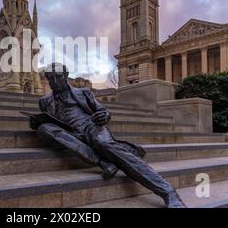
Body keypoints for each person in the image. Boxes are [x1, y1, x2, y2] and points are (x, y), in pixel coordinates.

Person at [29, 63, 187, 208]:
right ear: (47, 79)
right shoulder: (45, 101)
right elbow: (50, 120)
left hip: (91, 127)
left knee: (102, 143)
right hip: (71, 135)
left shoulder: (83, 93)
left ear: (66, 75)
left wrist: (104, 116)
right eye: (51, 78)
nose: (55, 81)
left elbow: (102, 111)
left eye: (59, 77)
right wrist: (36, 123)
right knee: (44, 129)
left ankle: (167, 191)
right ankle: (103, 163)